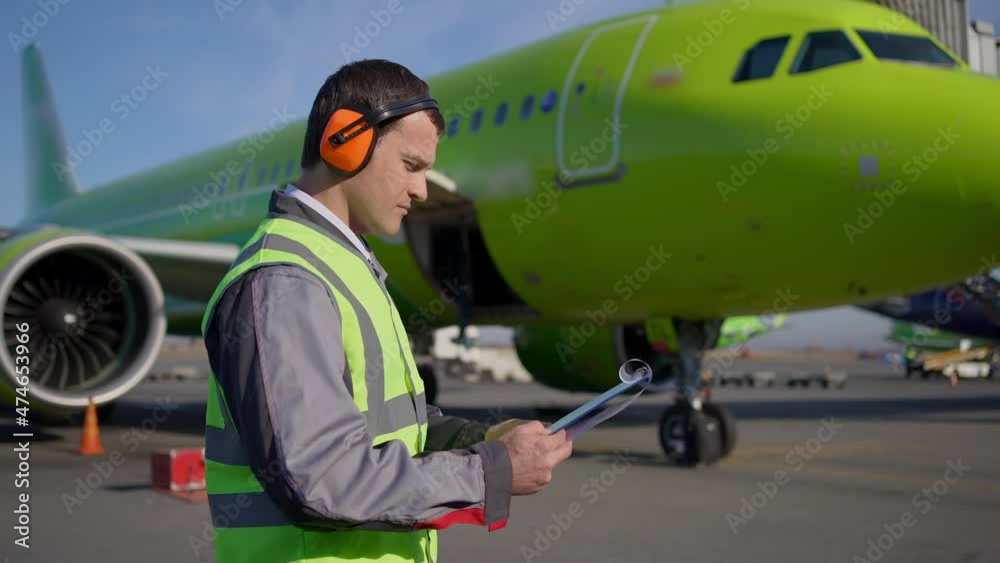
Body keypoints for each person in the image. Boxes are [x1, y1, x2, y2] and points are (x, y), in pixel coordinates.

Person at [200, 59, 573, 562]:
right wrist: (491, 473)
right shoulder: (286, 280)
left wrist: (484, 439)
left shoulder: (343, 266)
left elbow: (385, 427)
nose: (422, 189)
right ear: (344, 141)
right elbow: (319, 481)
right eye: (412, 165)